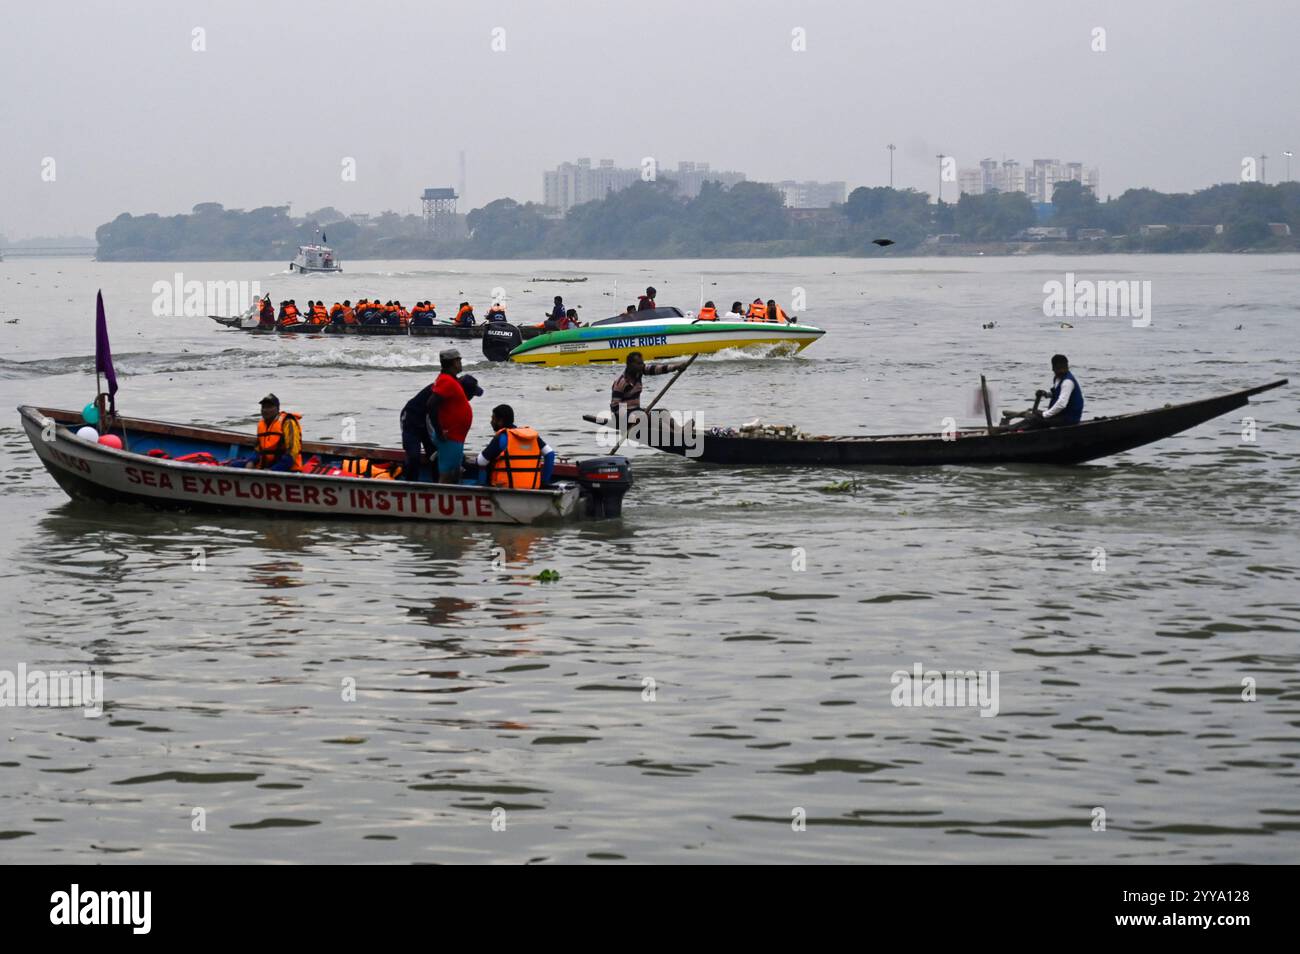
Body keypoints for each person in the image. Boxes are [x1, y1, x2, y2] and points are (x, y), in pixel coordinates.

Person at [476, 404, 556, 489]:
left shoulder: (501, 438)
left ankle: (481, 489)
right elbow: (550, 454)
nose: (491, 422)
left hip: (506, 489)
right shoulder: (532, 437)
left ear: (500, 421)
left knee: (484, 466)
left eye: (493, 419)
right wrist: (544, 482)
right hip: (533, 487)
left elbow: (481, 462)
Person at [426, 348, 473, 484]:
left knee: (455, 471)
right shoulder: (446, 381)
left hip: (456, 438)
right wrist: (439, 432)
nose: (461, 363)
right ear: (453, 362)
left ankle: (453, 500)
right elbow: (431, 405)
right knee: (447, 474)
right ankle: (442, 503)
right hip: (450, 437)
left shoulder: (451, 380)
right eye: (459, 360)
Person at [610, 351, 689, 420]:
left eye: (642, 363)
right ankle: (677, 433)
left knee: (663, 413)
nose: (642, 365)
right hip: (624, 417)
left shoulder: (639, 373)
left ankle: (680, 430)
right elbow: (615, 407)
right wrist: (632, 418)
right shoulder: (621, 383)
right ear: (630, 365)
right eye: (639, 364)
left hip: (637, 411)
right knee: (653, 419)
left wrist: (675, 367)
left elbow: (656, 369)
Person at [1021, 354, 1085, 429]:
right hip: (1061, 415)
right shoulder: (1057, 379)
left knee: (1035, 420)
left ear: (1067, 367)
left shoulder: (1067, 382)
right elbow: (1056, 393)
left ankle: (1010, 429)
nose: (1061, 370)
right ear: (1053, 368)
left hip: (1069, 419)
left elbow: (1061, 404)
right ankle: (1012, 428)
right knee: (1034, 416)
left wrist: (1045, 414)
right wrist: (1046, 394)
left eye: (1063, 367)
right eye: (1058, 368)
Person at [254, 394, 302, 471]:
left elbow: (291, 454)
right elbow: (258, 450)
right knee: (235, 465)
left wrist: (272, 470)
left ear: (277, 409)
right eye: (263, 407)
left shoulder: (288, 422)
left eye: (269, 407)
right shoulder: (261, 424)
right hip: (266, 466)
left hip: (286, 468)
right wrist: (250, 462)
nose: (265, 410)